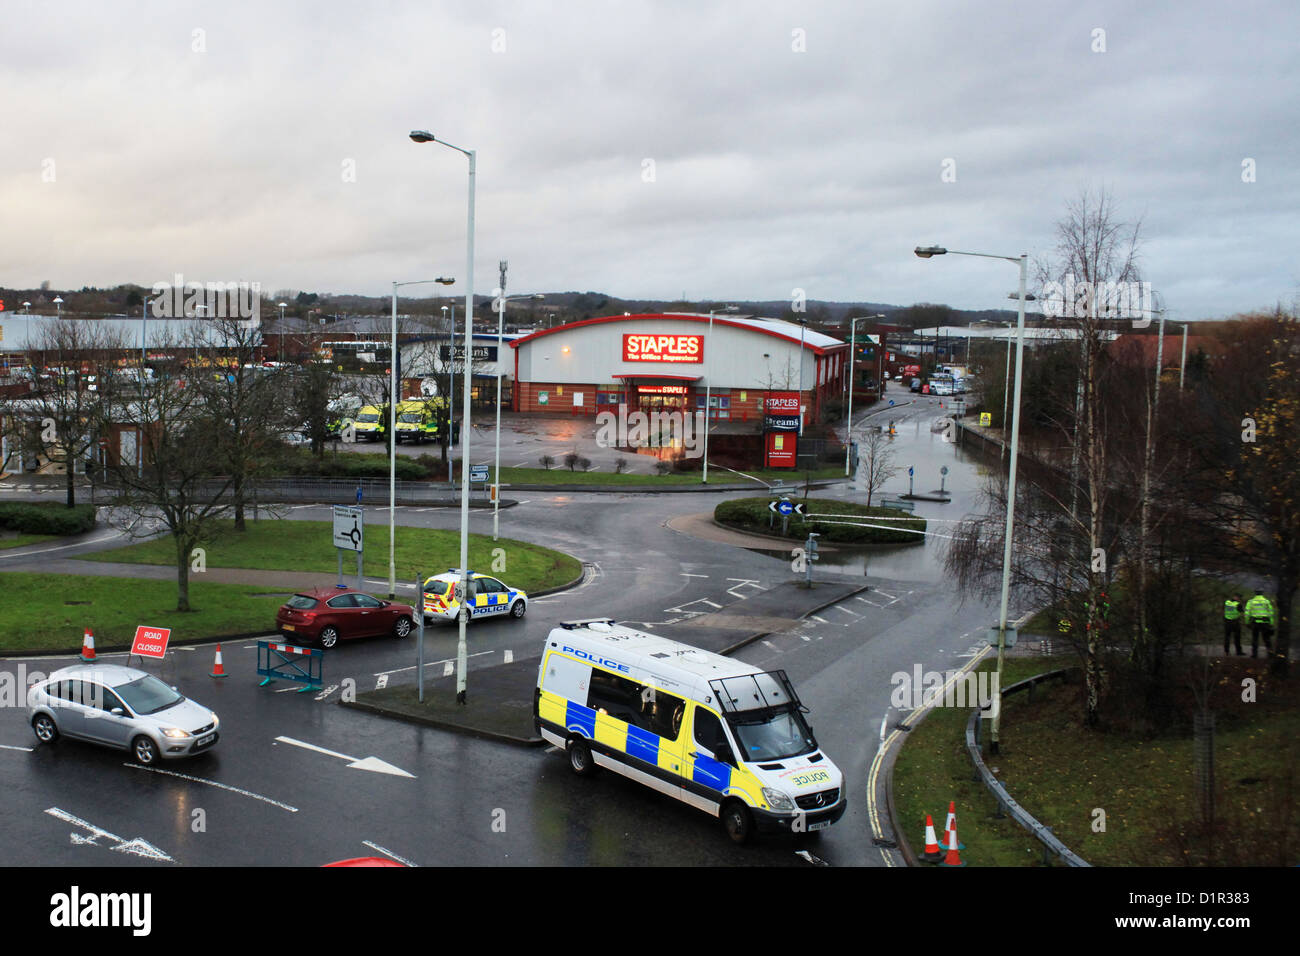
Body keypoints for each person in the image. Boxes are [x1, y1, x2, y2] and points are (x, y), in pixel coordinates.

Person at [1244, 588, 1275, 658]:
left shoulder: (1251, 602)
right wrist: (1271, 622)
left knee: (1255, 639)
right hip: (1265, 622)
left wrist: (1247, 622)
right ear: (1262, 593)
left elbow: (1247, 613)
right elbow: (1271, 612)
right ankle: (1270, 654)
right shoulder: (1266, 601)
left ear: (1255, 593)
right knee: (1267, 639)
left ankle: (1254, 654)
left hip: (1255, 623)